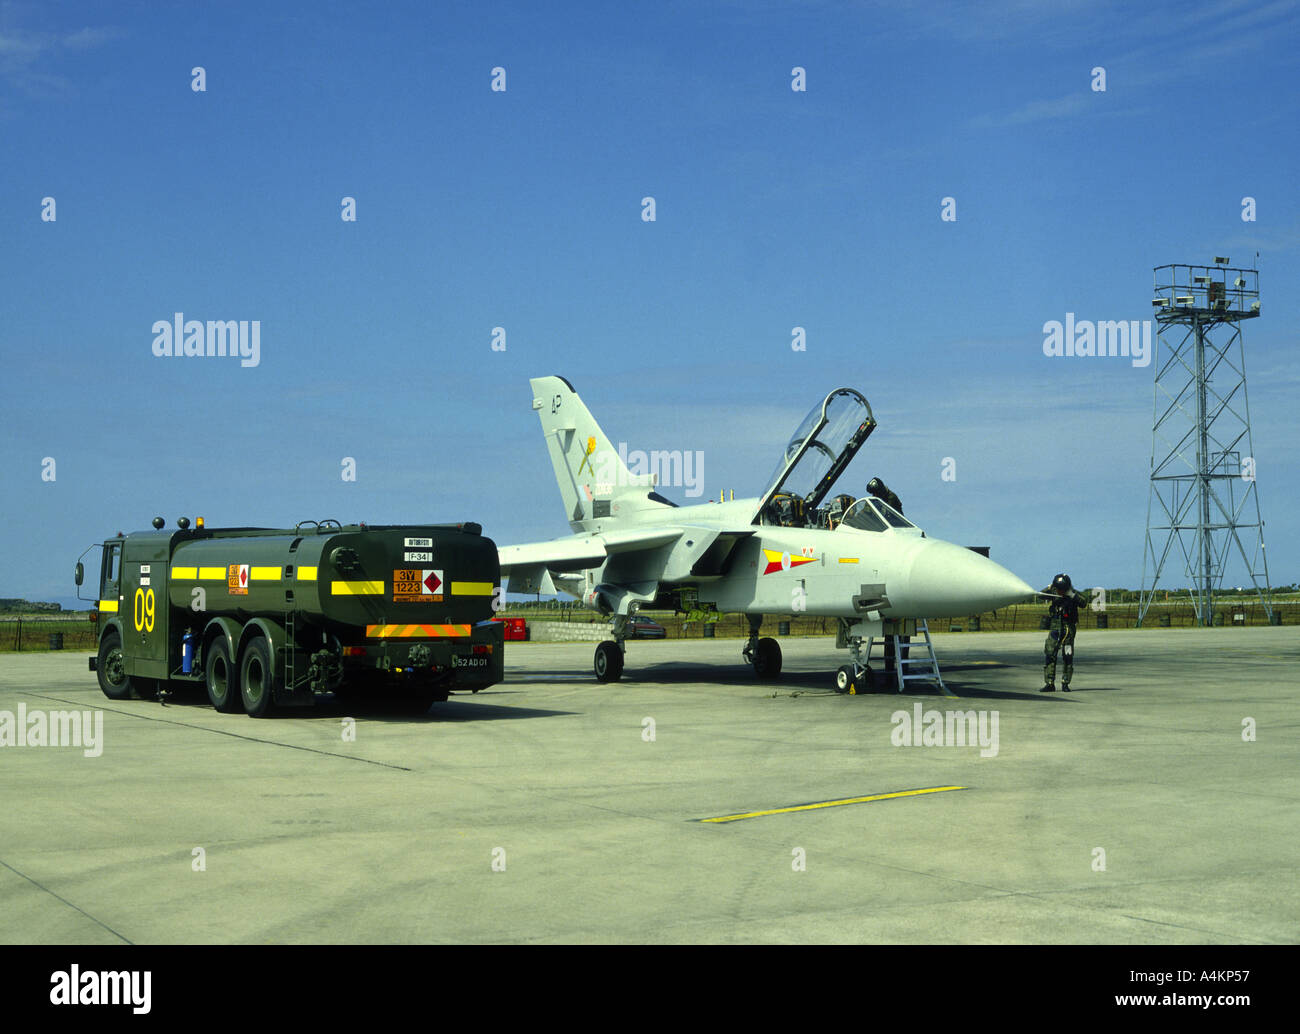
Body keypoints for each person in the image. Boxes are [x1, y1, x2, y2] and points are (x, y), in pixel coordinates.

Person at [1041, 573, 1088, 692]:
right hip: (1055, 628)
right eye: (1058, 589)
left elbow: (1084, 603)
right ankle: (1049, 683)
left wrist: (1071, 594)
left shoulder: (1073, 594)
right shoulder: (1053, 593)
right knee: (1050, 653)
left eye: (1061, 589)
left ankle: (1065, 683)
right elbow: (1041, 595)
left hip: (1068, 630)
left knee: (1067, 655)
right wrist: (1051, 586)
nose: (1059, 591)